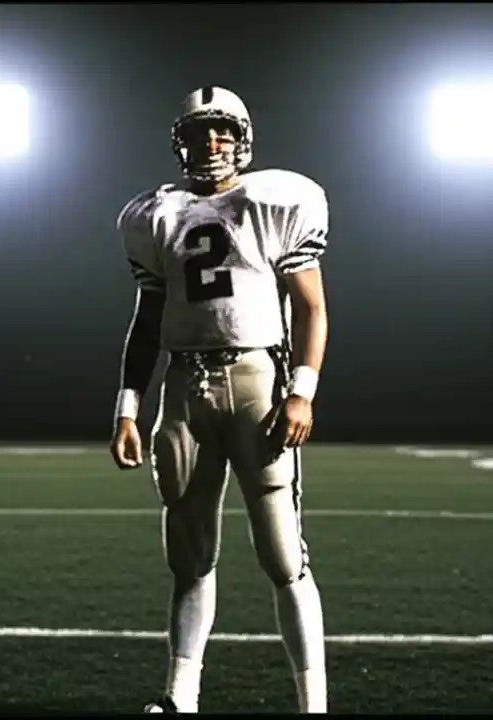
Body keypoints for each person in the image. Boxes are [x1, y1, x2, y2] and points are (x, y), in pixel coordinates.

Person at [109, 85, 330, 714]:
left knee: (283, 554)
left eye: (223, 131)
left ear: (243, 137)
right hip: (183, 390)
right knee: (189, 553)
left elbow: (312, 306)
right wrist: (128, 404)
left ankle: (313, 705)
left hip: (257, 380)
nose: (212, 143)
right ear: (182, 141)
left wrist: (302, 391)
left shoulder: (275, 199)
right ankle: (181, 699)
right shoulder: (154, 214)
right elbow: (148, 319)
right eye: (201, 132)